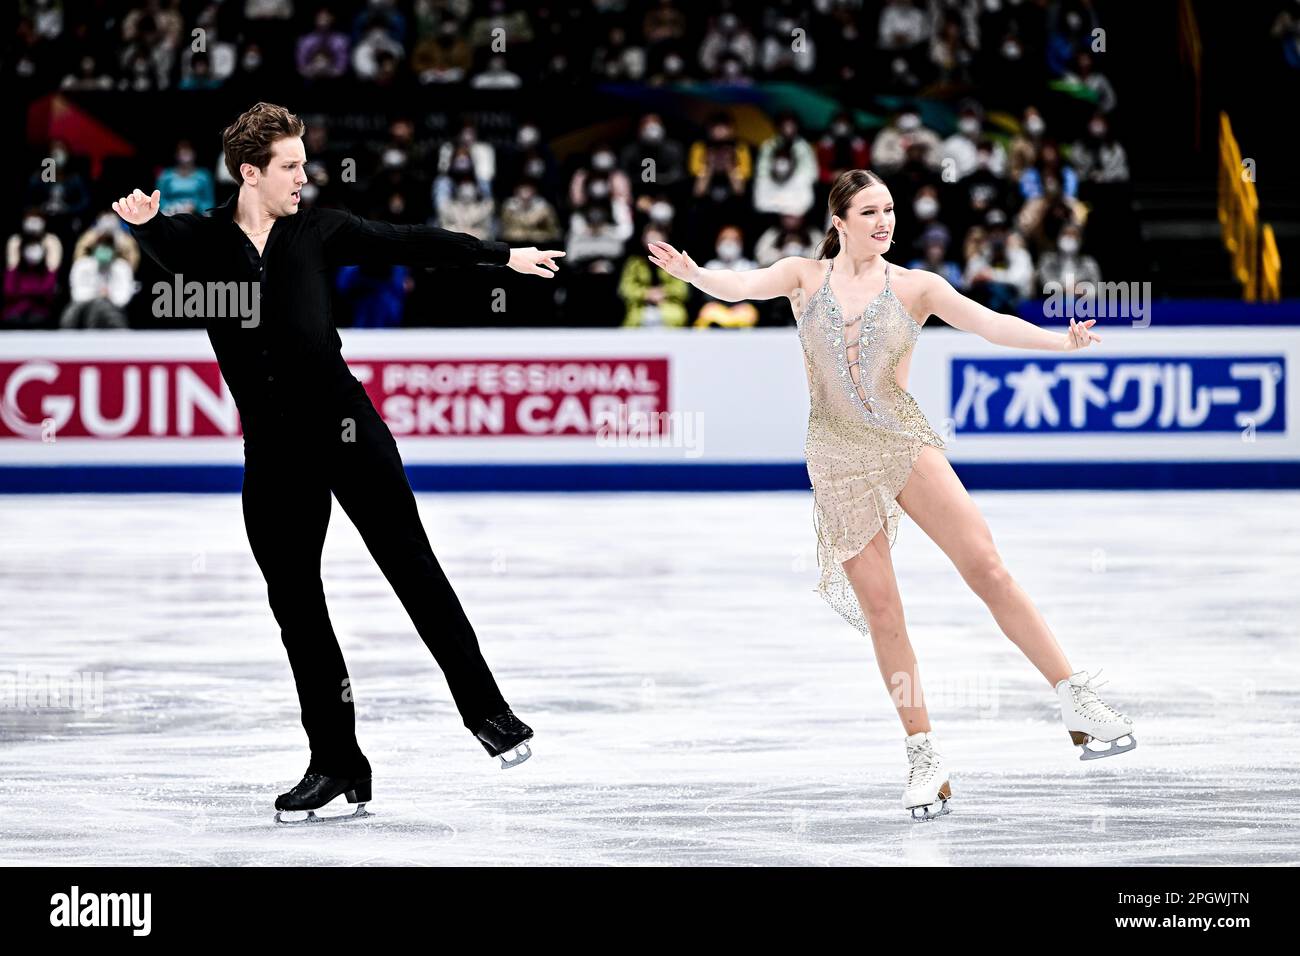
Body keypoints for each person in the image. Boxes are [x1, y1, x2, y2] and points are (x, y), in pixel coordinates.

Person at [112, 102, 564, 823]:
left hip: (346, 429)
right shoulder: (204, 242)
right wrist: (140, 223)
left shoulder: (320, 229)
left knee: (412, 565)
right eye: (289, 166)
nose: (303, 176)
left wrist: (499, 255)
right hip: (272, 451)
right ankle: (337, 762)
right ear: (249, 173)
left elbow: (407, 241)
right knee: (297, 608)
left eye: (303, 162)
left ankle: (488, 711)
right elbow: (168, 246)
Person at [645, 168, 1135, 821]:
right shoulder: (803, 276)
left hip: (903, 442)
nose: (884, 222)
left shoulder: (916, 285)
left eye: (890, 210)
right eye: (870, 211)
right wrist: (694, 274)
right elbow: (738, 287)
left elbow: (989, 324)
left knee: (987, 567)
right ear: (839, 220)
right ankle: (924, 753)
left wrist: (1059, 342)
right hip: (837, 457)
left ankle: (1073, 694)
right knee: (885, 613)